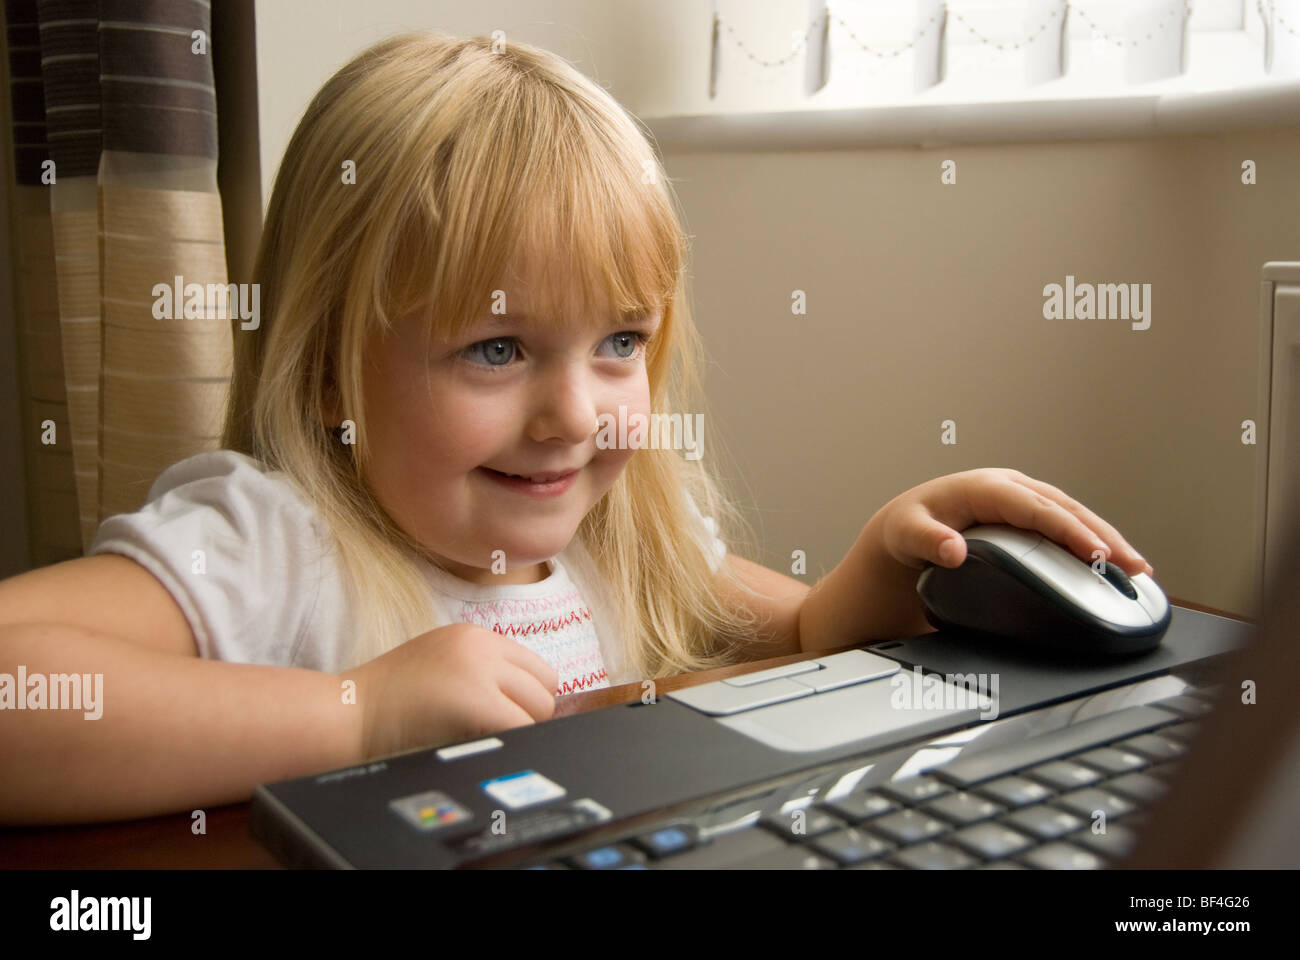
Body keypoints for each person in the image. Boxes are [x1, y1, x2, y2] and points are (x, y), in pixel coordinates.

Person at [0, 31, 1150, 825]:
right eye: (497, 350)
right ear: (329, 375)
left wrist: (890, 557)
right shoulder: (277, 544)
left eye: (619, 342)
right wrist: (357, 715)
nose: (573, 416)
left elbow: (804, 634)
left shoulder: (616, 538)